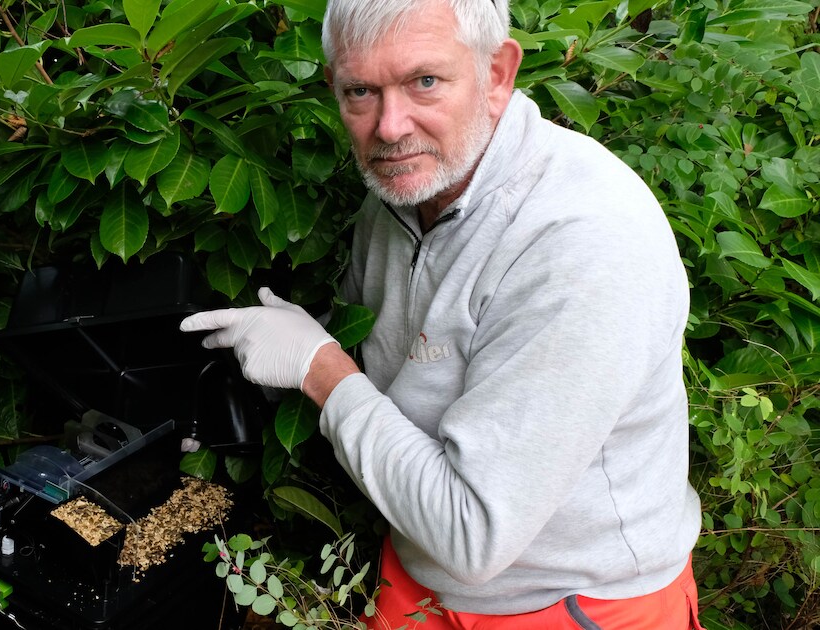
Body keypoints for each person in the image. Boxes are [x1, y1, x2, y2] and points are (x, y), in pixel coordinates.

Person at [179, 0, 704, 627]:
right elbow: (386, 369)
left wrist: (318, 367)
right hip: (416, 564)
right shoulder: (406, 190)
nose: (390, 126)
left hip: (569, 602)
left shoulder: (581, 240)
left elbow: (473, 535)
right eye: (360, 92)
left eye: (425, 81)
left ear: (498, 74)